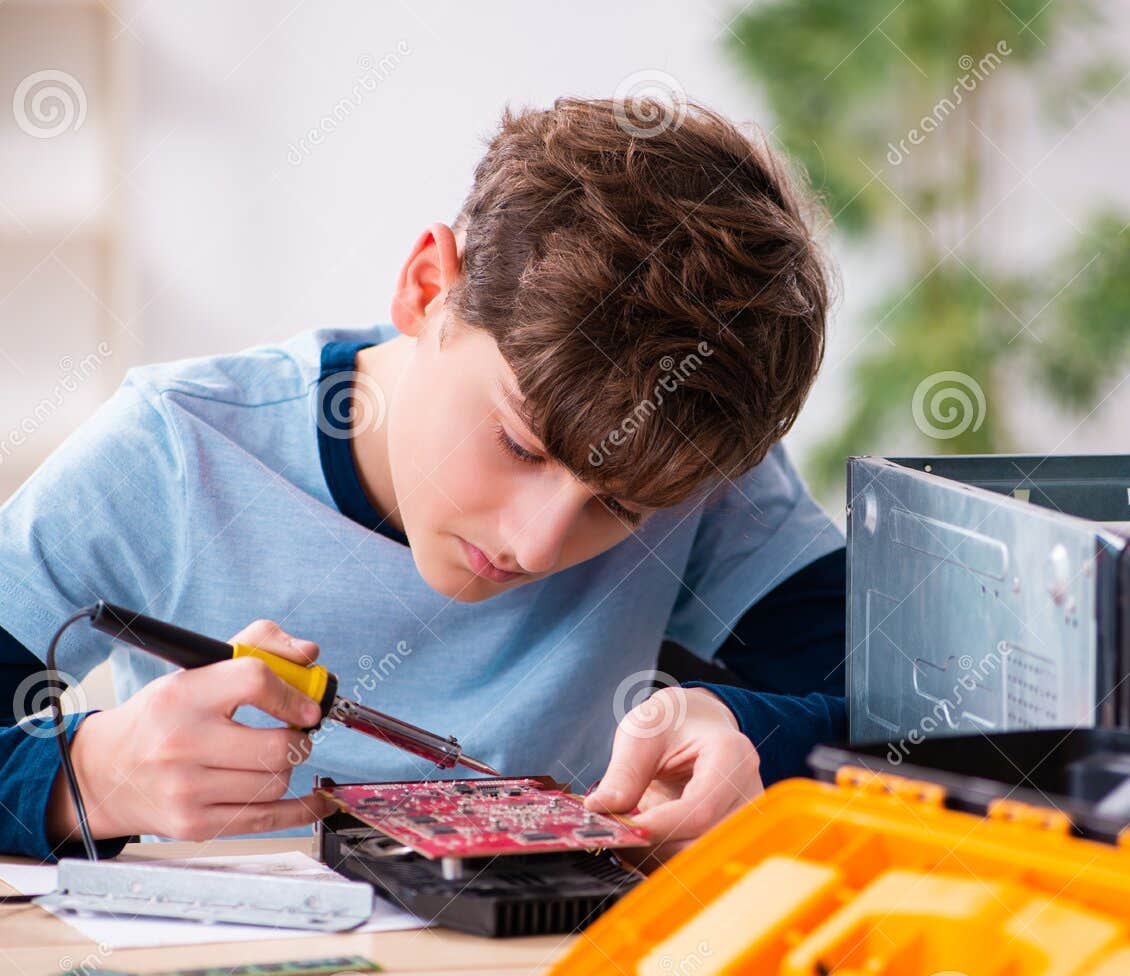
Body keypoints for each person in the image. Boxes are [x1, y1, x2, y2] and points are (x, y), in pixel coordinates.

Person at [0, 96, 845, 863]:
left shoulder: (682, 461)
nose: (537, 544)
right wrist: (91, 777)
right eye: (520, 445)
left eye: (619, 506)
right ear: (428, 287)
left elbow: (941, 719)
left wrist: (759, 738)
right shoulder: (171, 452)